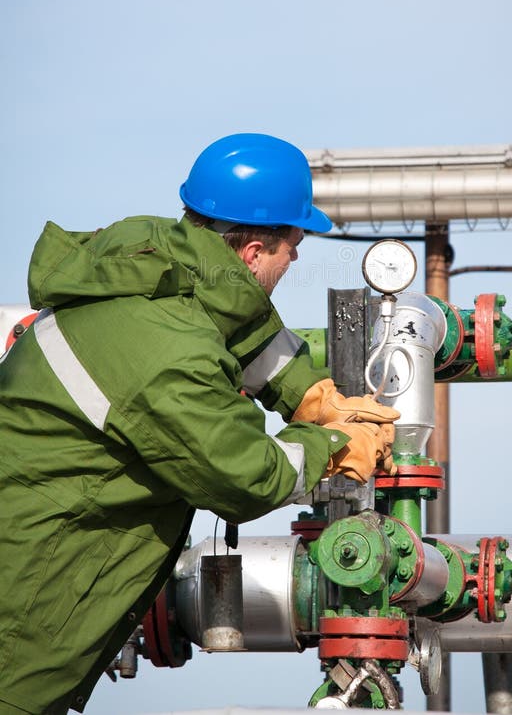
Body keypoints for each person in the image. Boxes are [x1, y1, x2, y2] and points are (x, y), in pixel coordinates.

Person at [0, 133, 398, 714]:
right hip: (28, 601)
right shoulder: (169, 354)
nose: (297, 260)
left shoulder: (158, 261)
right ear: (253, 251)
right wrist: (337, 445)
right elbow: (246, 476)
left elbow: (242, 325)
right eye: (294, 246)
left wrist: (313, 396)